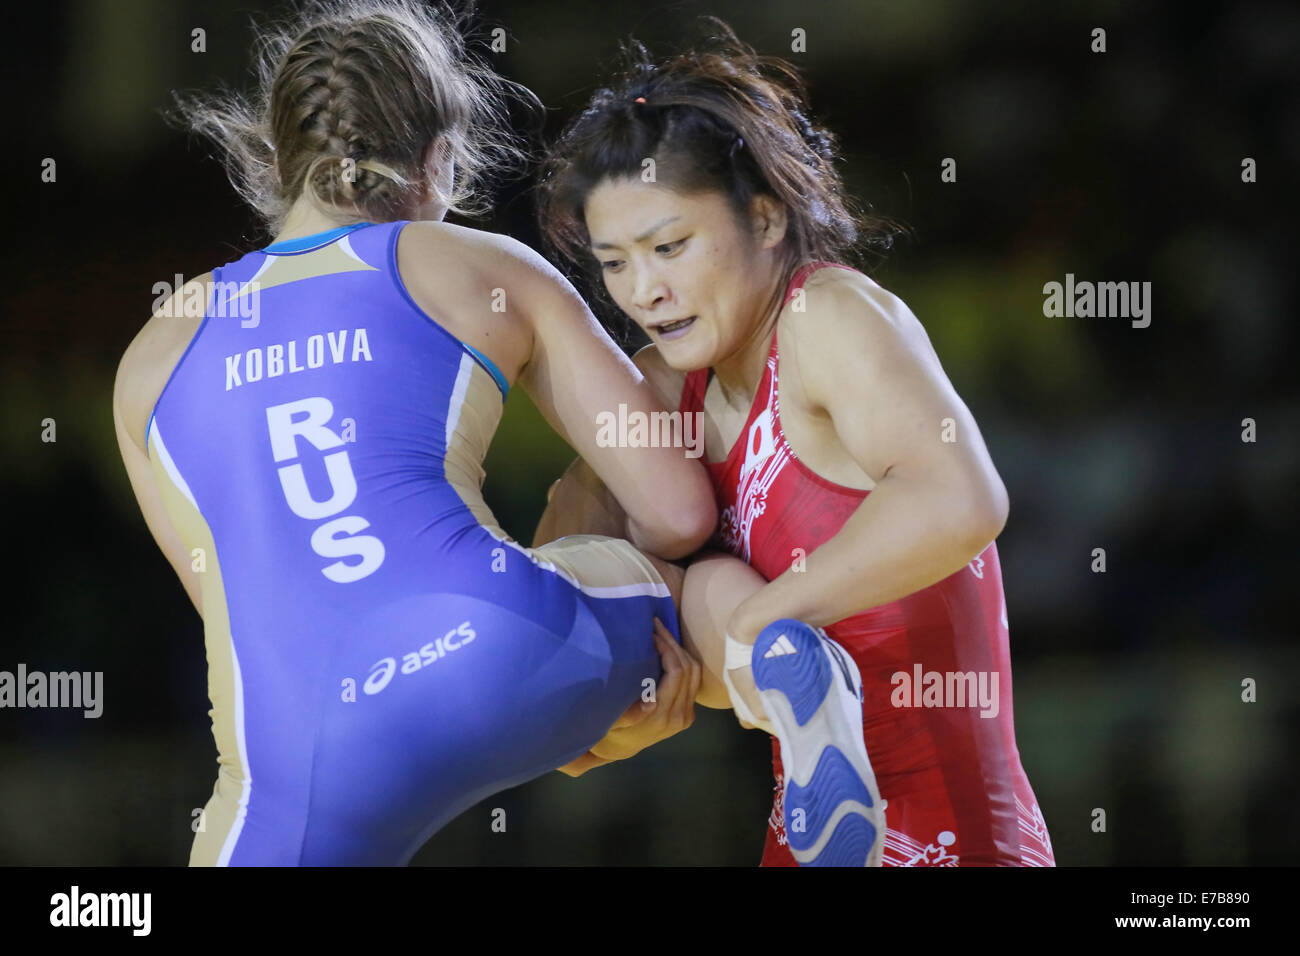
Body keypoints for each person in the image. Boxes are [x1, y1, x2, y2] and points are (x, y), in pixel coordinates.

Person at [112, 0, 727, 866]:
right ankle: (785, 678)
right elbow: (678, 512)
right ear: (441, 158)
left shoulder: (154, 351)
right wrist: (590, 690)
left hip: (298, 758)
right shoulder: (480, 267)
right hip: (495, 655)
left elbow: (236, 602)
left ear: (274, 158)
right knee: (697, 583)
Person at [534, 21, 1056, 866]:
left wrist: (765, 621)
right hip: (813, 843)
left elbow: (962, 499)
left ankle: (779, 659)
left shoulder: (829, 316)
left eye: (669, 246)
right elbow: (549, 617)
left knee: (721, 595)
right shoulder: (663, 389)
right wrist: (607, 723)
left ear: (767, 219)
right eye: (616, 263)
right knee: (648, 578)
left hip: (957, 841)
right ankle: (784, 678)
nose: (646, 290)